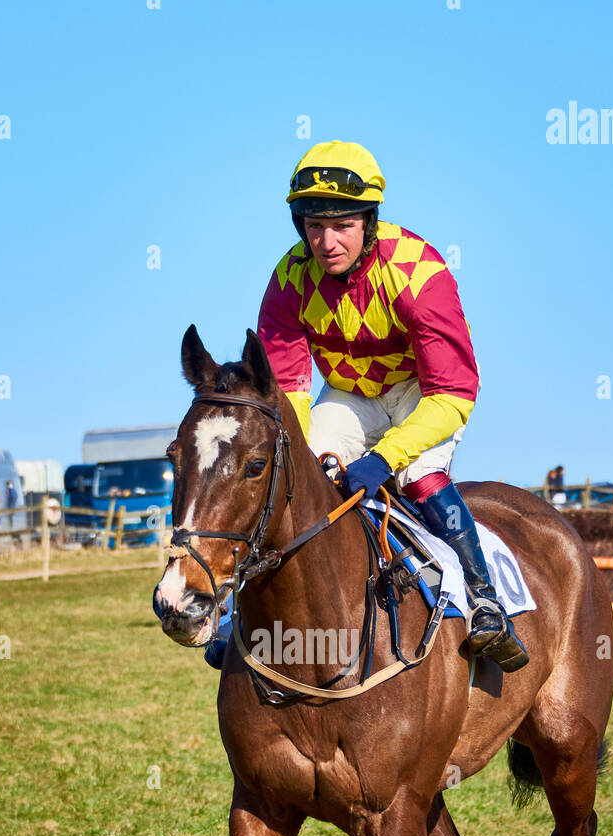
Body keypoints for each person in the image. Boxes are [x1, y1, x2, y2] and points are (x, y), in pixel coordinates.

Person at [205, 140, 527, 674]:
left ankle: (485, 598)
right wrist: (308, 456)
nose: (326, 242)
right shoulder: (288, 281)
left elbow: (454, 394)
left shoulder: (419, 272)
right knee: (293, 473)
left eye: (342, 226)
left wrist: (386, 458)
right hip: (351, 393)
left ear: (369, 221)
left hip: (424, 392)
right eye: (312, 225)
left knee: (421, 475)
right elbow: (288, 393)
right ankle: (236, 610)